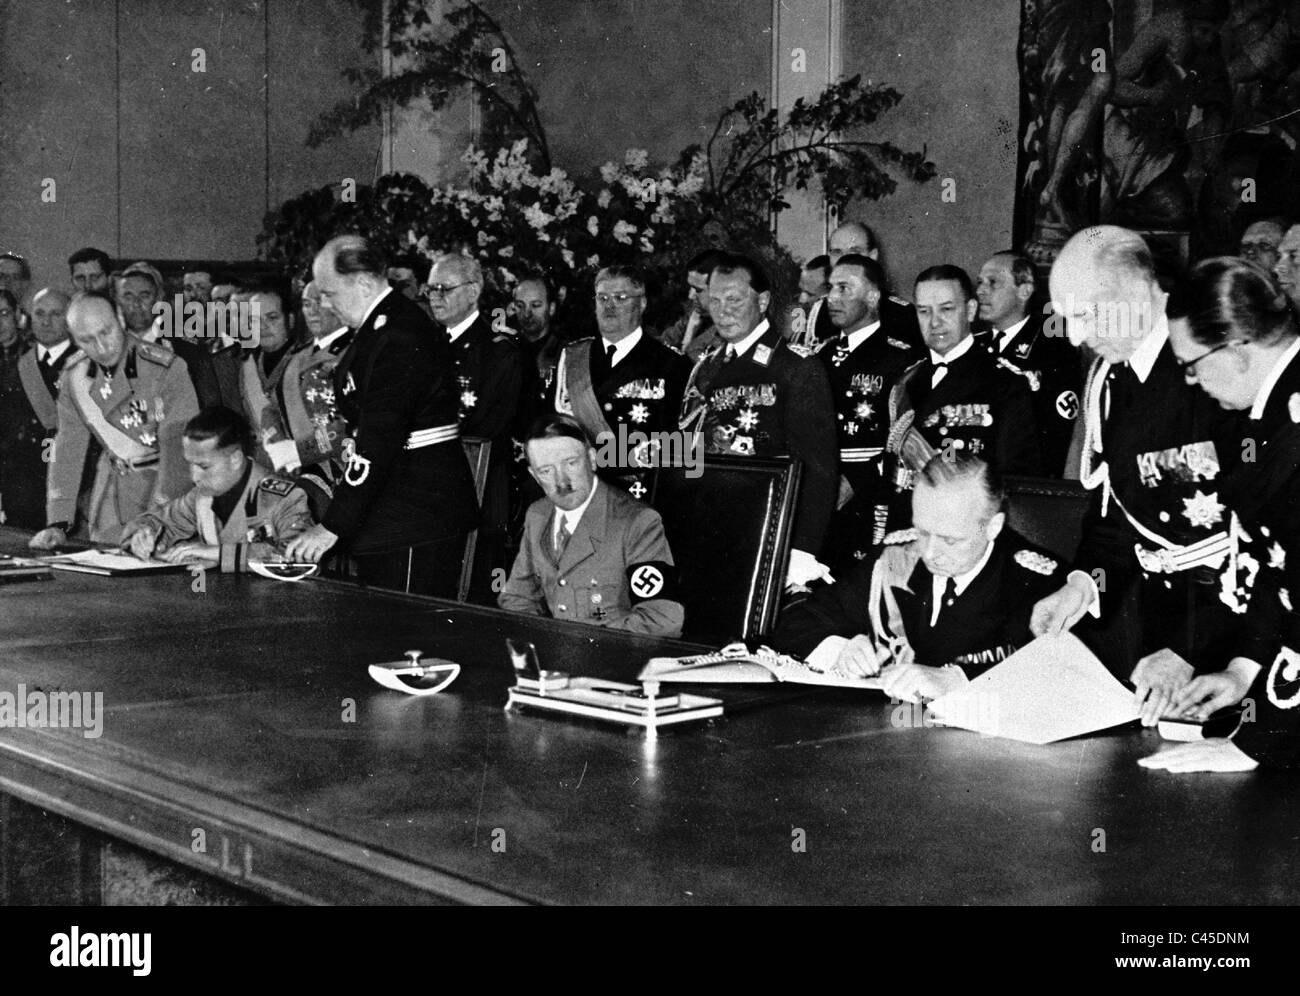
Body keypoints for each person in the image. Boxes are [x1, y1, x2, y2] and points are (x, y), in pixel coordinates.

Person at [1030, 226, 1247, 723]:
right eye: (1066, 319)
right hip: (1162, 635)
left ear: (1135, 289)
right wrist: (1083, 584)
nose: (1077, 336)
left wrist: (1189, 647)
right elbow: (1118, 516)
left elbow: (1262, 536)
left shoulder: (1217, 359)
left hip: (1239, 636)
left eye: (1084, 315)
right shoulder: (1108, 381)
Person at [1140, 257, 1300, 771]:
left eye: (1191, 364)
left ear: (1235, 348)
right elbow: (1281, 569)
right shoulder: (1270, 411)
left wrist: (1255, 744)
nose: (1188, 381)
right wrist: (1242, 671)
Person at [773, 454, 1065, 702]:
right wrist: (841, 650)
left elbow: (1068, 676)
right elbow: (794, 620)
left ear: (993, 526)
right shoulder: (896, 558)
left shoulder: (1034, 581)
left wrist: (959, 681)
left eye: (950, 540)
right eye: (923, 531)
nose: (930, 552)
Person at [285, 236, 479, 596]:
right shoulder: (378, 329)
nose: (325, 304)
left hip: (414, 512)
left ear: (362, 283)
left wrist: (332, 526)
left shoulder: (399, 334)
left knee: (404, 640)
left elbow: (378, 439)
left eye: (329, 293)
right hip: (394, 507)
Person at [680, 253, 838, 588]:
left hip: (767, 538)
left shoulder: (795, 367)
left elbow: (819, 471)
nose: (723, 311)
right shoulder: (706, 367)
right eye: (715, 300)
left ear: (763, 301)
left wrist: (802, 552)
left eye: (735, 300)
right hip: (708, 534)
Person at [29, 292, 200, 548]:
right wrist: (59, 522)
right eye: (86, 340)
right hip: (110, 496)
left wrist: (156, 520)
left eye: (106, 332)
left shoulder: (166, 368)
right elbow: (67, 448)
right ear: (73, 338)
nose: (101, 347)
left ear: (120, 318)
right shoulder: (74, 377)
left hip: (163, 494)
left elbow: (178, 448)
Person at [881, 264, 1043, 530]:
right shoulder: (904, 381)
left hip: (964, 531)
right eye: (924, 312)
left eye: (946, 309)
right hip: (907, 526)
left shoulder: (1004, 383)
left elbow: (1015, 483)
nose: (934, 322)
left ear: (970, 310)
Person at [499, 414, 684, 637]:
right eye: (546, 471)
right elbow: (517, 598)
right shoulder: (537, 515)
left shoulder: (637, 522)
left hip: (613, 660)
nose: (562, 482)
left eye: (571, 463)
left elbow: (662, 620)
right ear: (534, 476)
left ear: (592, 458)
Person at [426, 251, 528, 596]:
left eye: (444, 288)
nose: (435, 297)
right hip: (427, 491)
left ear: (473, 292)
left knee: (474, 588)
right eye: (431, 289)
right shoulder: (424, 345)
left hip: (480, 489)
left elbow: (488, 426)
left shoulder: (500, 351)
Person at [817, 253, 919, 568]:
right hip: (818, 492)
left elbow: (903, 442)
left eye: (844, 288)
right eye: (831, 288)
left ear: (873, 296)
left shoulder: (900, 361)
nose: (832, 298)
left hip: (868, 499)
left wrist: (855, 481)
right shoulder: (821, 355)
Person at [120, 406, 314, 572]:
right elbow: (159, 521)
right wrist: (143, 534)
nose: (194, 477)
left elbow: (296, 556)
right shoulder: (201, 497)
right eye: (191, 464)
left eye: (204, 466)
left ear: (235, 459)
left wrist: (221, 554)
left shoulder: (282, 497)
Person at [554, 264, 689, 497]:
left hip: (641, 494)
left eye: (620, 298)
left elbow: (678, 446)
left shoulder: (672, 365)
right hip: (581, 492)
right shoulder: (572, 357)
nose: (609, 306)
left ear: (642, 303)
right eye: (602, 298)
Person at [974, 250, 1082, 476]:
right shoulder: (975, 346)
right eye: (980, 283)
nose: (980, 291)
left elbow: (1057, 438)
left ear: (1024, 290)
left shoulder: (1053, 352)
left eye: (993, 283)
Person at [276, 280, 351, 518]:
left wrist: (298, 451)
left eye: (320, 302)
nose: (312, 310)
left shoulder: (354, 353)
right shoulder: (297, 356)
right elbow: (272, 407)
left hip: (343, 472)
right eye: (307, 304)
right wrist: (275, 442)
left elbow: (350, 426)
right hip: (301, 474)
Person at [0, 289, 74, 529]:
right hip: (21, 490)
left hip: (71, 490)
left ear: (70, 318)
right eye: (39, 313)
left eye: (56, 314)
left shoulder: (86, 364)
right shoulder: (15, 367)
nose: (46, 321)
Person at [816, 221, 922, 349]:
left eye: (854, 252)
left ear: (873, 256)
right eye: (837, 252)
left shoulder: (901, 315)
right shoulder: (821, 310)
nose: (844, 259)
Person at [231, 281, 297, 469]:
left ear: (290, 320)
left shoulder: (304, 361)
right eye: (255, 320)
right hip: (261, 466)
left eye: (272, 317)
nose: (263, 326)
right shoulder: (245, 363)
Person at [660, 249, 727, 361]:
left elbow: (693, 367)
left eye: (698, 290)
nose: (691, 296)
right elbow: (667, 339)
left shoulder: (730, 331)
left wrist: (689, 335)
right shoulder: (698, 312)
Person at [0, 253, 32, 332]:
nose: (8, 282)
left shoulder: (34, 328)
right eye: (2, 276)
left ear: (25, 285)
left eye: (15, 277)